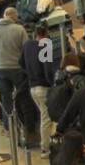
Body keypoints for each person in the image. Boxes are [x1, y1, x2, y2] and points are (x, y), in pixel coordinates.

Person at [0, 7, 30, 130]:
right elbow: (27, 49)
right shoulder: (20, 29)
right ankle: (26, 123)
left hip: (1, 69)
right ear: (15, 17)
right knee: (23, 97)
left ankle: (8, 125)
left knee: (5, 98)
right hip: (18, 68)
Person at [22, 26, 59, 157]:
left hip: (32, 87)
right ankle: (45, 148)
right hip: (43, 87)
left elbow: (22, 63)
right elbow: (47, 69)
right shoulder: (46, 46)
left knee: (44, 116)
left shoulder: (27, 46)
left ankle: (46, 144)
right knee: (46, 118)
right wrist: (53, 84)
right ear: (46, 34)